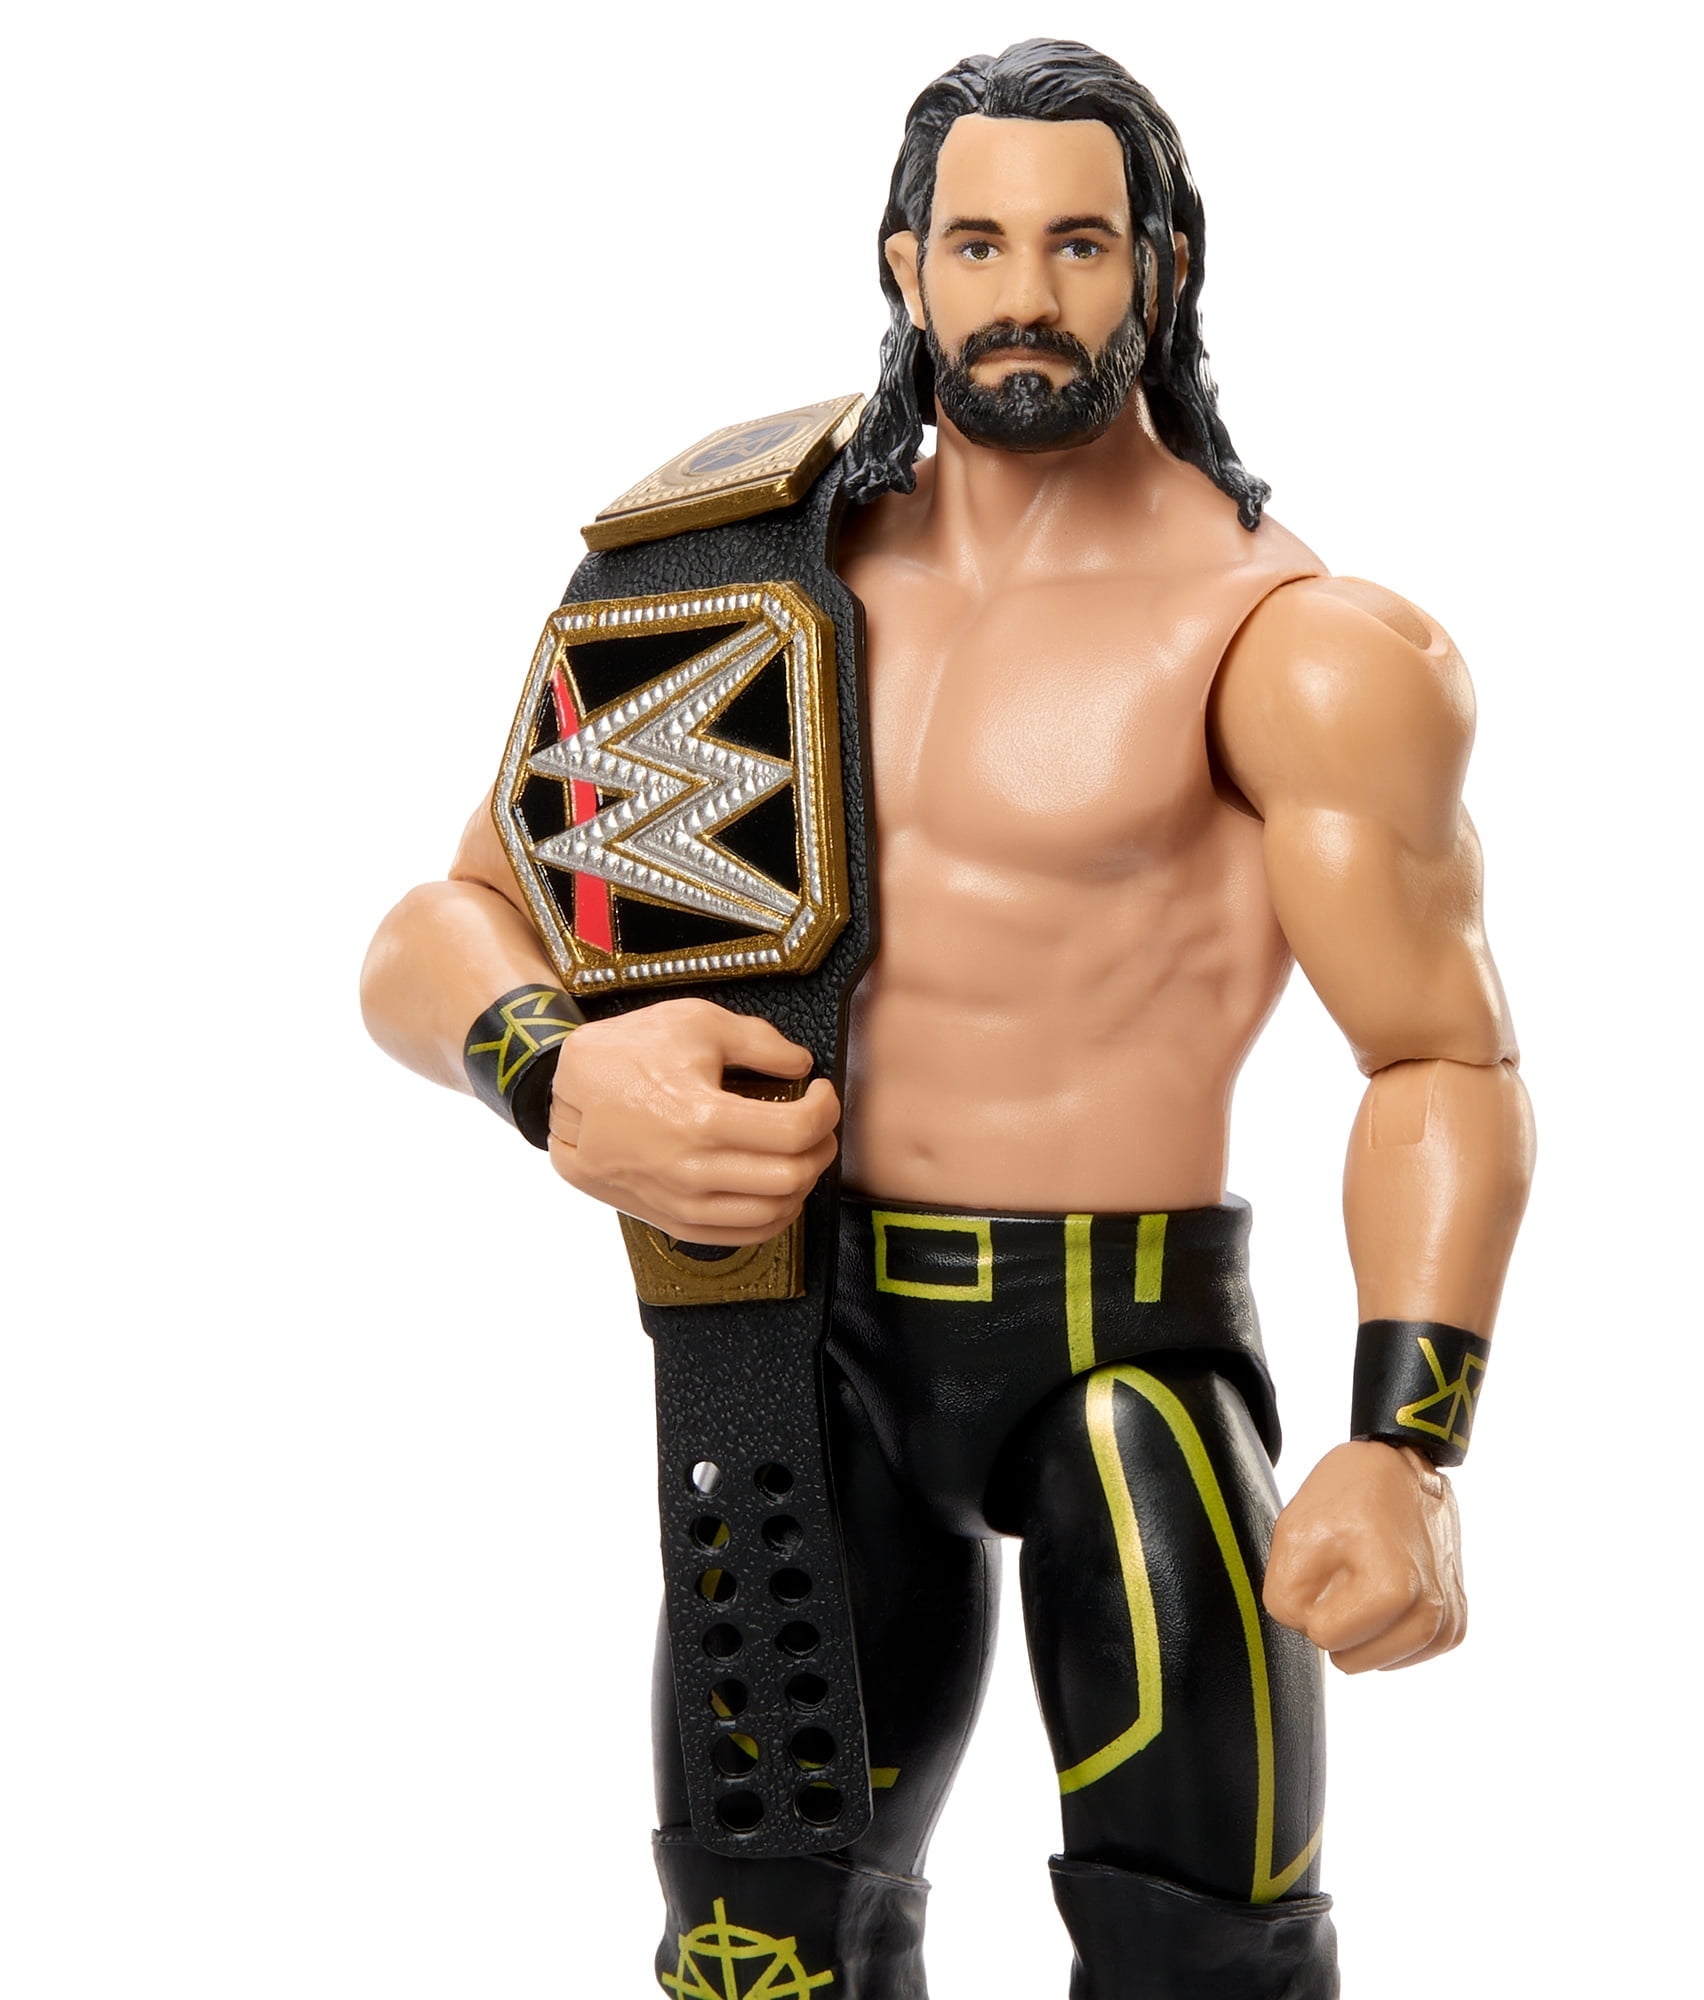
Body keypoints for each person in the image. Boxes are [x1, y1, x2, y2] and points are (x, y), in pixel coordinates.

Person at [362, 38, 1532, 2000]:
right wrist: (550, 1071)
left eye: (1079, 242)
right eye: (977, 243)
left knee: (1204, 1949)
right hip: (790, 1343)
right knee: (753, 1948)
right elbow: (438, 928)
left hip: (1122, 1348)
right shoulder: (728, 580)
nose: (1023, 293)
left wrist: (1408, 1450)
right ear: (903, 264)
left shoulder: (1292, 646)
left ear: (1162, 265)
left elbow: (1438, 1058)